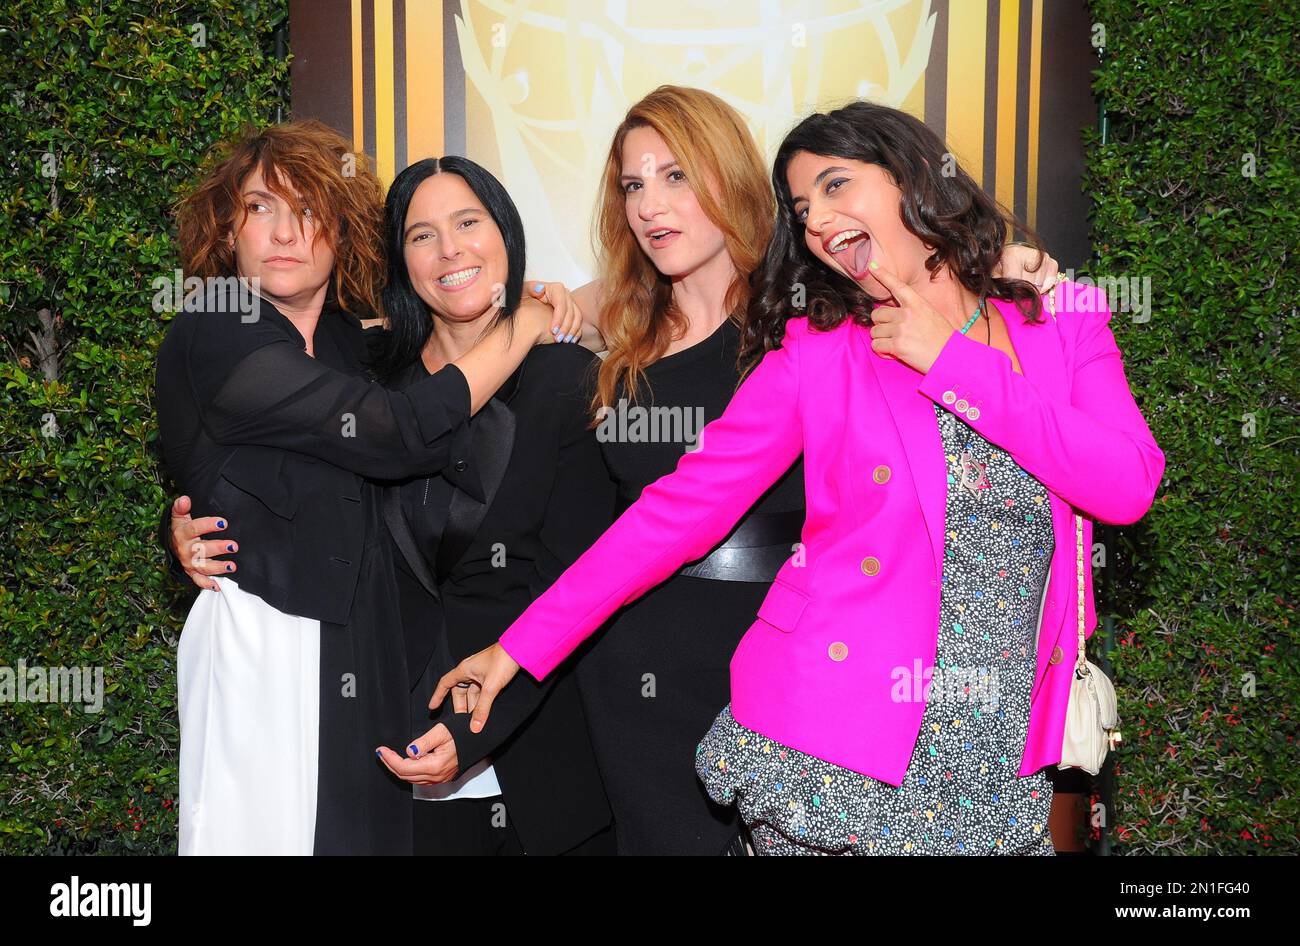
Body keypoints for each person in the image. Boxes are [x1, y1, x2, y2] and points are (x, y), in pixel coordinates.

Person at [431, 99, 1166, 855]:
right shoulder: (822, 349)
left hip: (999, 759)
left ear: (913, 177)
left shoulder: (1063, 317)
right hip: (837, 753)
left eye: (837, 185)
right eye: (803, 205)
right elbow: (677, 511)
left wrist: (952, 358)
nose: (817, 219)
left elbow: (1125, 484)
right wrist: (518, 649)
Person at [154, 120, 580, 855]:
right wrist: (527, 321)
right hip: (264, 645)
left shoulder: (356, 346)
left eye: (310, 209)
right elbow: (394, 431)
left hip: (359, 657)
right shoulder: (214, 328)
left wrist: (573, 299)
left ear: (344, 230)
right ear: (228, 234)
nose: (285, 230)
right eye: (260, 208)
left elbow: (435, 333)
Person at [368, 156, 615, 855]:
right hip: (389, 746)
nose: (450, 249)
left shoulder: (569, 381)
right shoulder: (367, 382)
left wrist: (479, 723)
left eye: (468, 222)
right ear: (401, 261)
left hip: (536, 753)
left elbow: (574, 582)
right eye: (421, 235)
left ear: (506, 234)